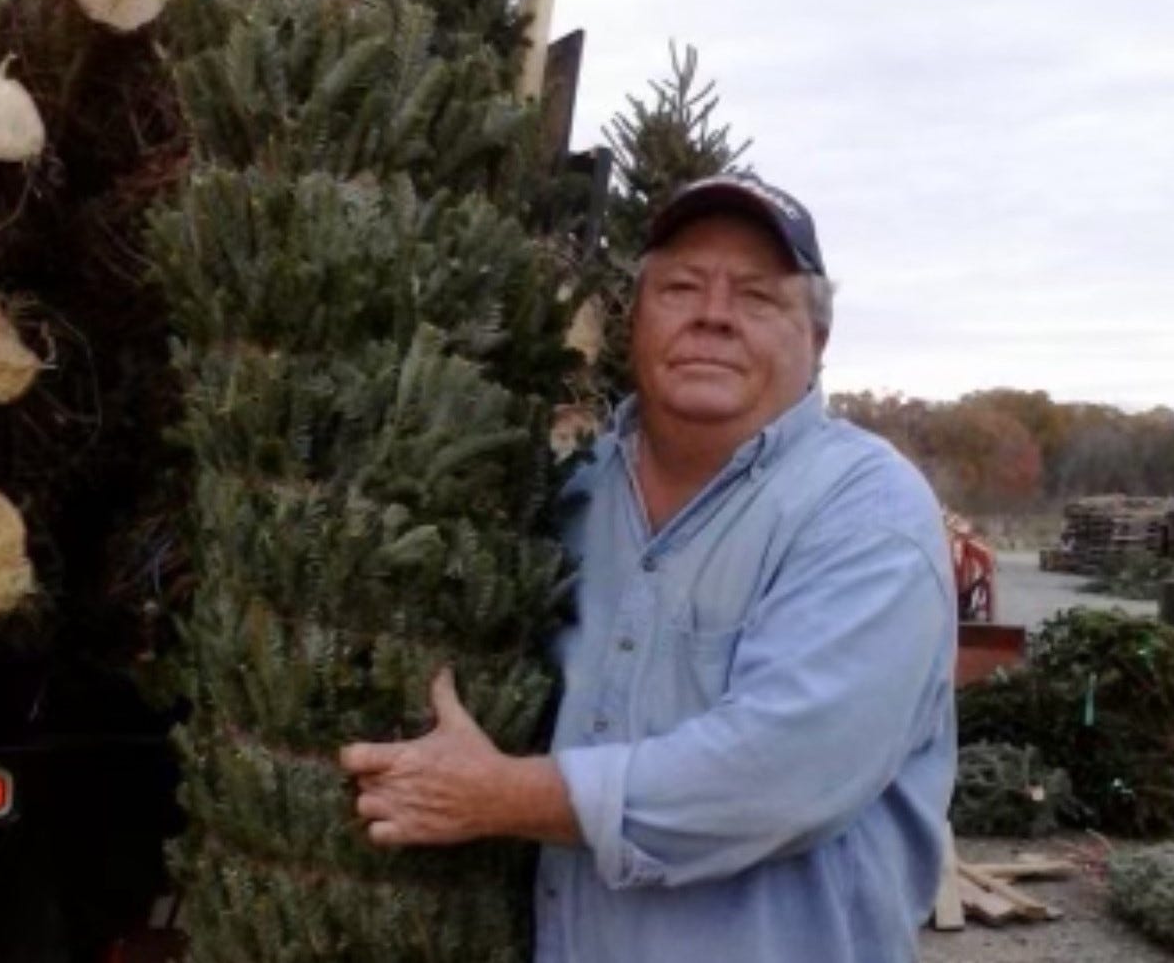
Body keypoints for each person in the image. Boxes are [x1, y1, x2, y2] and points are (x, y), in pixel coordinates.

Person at [341, 174, 957, 963]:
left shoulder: (866, 515)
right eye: (681, 287)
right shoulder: (569, 495)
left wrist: (495, 796)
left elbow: (777, 777)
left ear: (818, 340)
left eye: (758, 297)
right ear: (638, 319)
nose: (713, 315)